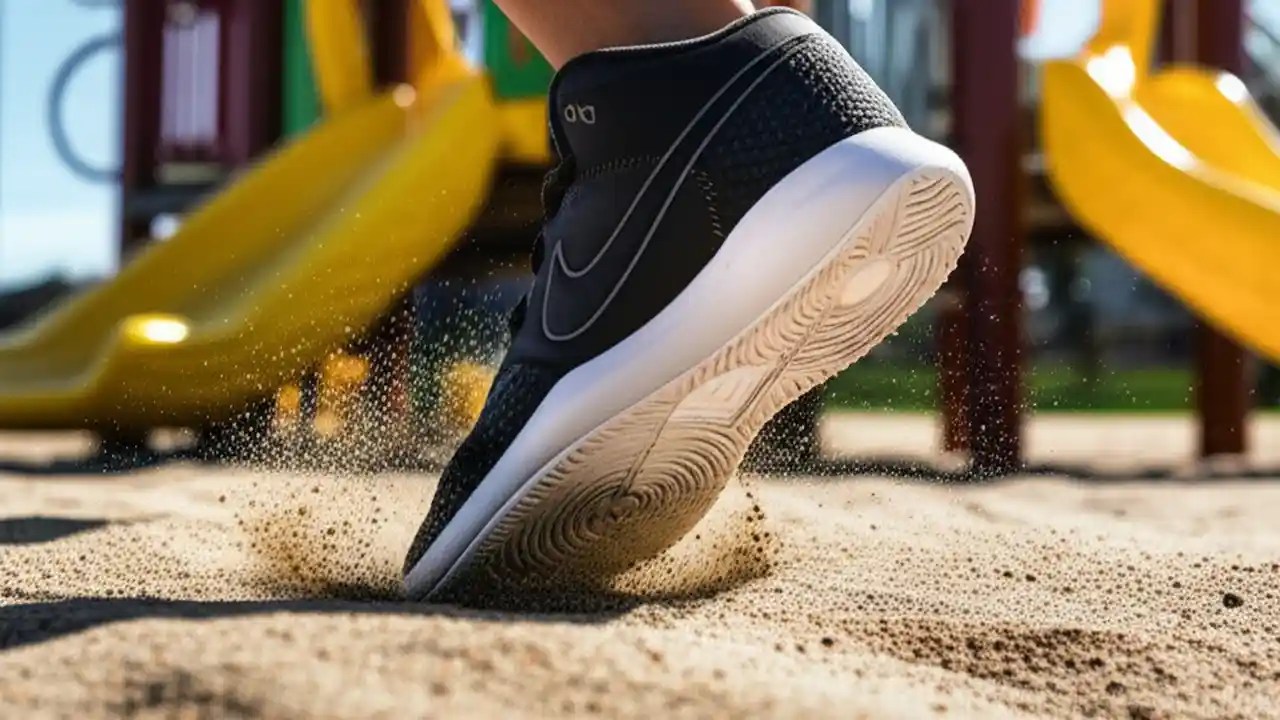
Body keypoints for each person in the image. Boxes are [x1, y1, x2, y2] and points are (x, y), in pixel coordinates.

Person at [402, 0, 974, 600]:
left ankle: (674, 117)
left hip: (706, 126)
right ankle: (751, 95)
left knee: (667, 65)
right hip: (772, 102)